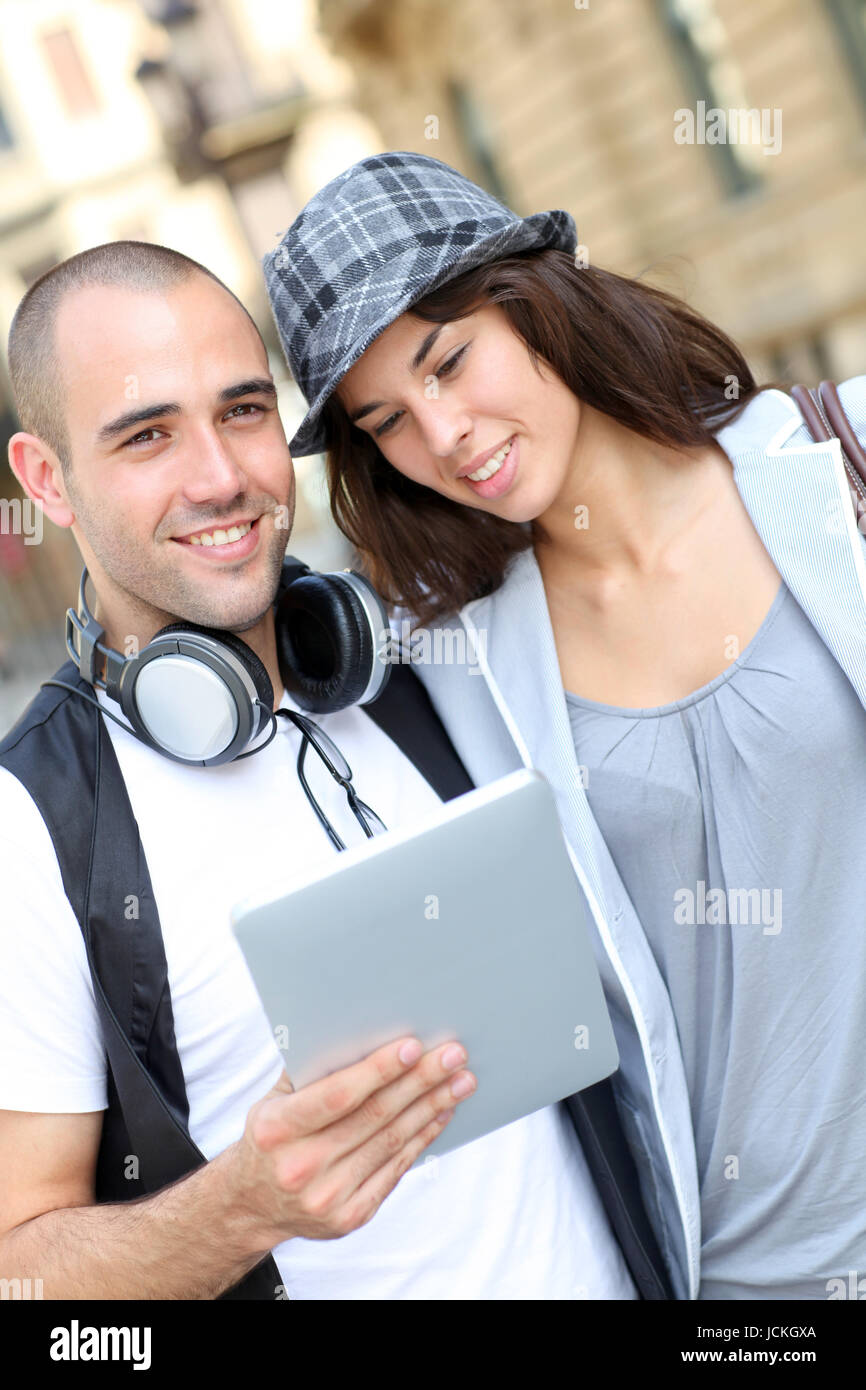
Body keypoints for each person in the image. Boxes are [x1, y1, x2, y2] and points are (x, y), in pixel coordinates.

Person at [0, 240, 666, 1301]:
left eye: (243, 410)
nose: (220, 477)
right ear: (48, 480)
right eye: (147, 435)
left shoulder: (404, 667)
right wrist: (247, 1204)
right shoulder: (30, 825)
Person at [264, 150, 866, 1300]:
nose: (441, 436)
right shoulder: (444, 672)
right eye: (386, 419)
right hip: (739, 1286)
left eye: (450, 359)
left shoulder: (834, 467)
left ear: (541, 292)